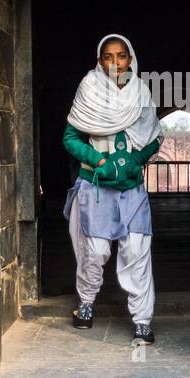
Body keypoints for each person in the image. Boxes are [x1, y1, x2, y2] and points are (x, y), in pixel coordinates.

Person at [62, 34, 164, 345]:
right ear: (100, 60)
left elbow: (156, 136)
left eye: (121, 56)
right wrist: (97, 159)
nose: (115, 62)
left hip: (131, 190)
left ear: (130, 59)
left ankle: (142, 320)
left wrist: (137, 159)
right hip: (96, 187)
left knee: (136, 250)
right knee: (95, 252)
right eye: (108, 57)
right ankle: (86, 304)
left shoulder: (140, 92)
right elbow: (70, 138)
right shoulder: (89, 89)